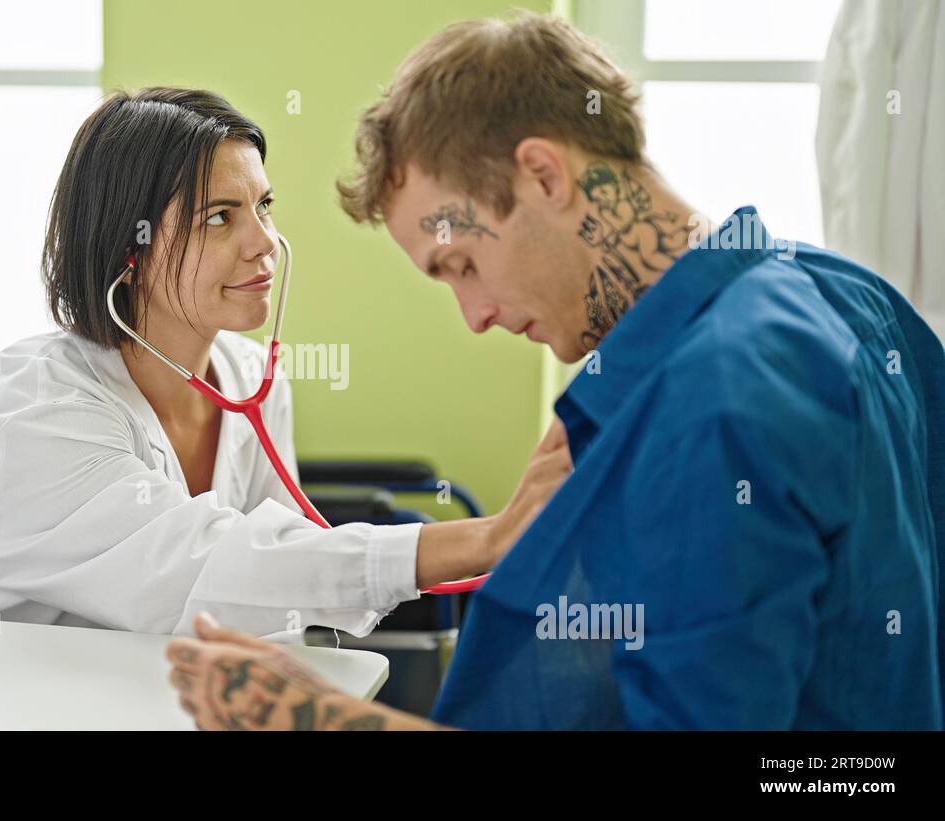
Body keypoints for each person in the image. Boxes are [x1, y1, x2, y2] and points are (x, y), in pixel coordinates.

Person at [167, 13, 945, 729]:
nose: (474, 317)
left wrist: (332, 721)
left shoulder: (718, 397)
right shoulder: (845, 293)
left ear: (543, 174)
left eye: (463, 264)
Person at [0, 87, 565, 639]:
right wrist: (482, 538)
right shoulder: (38, 405)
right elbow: (207, 568)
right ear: (127, 251)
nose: (264, 243)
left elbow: (276, 585)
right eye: (220, 216)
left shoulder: (253, 379)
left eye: (264, 205)